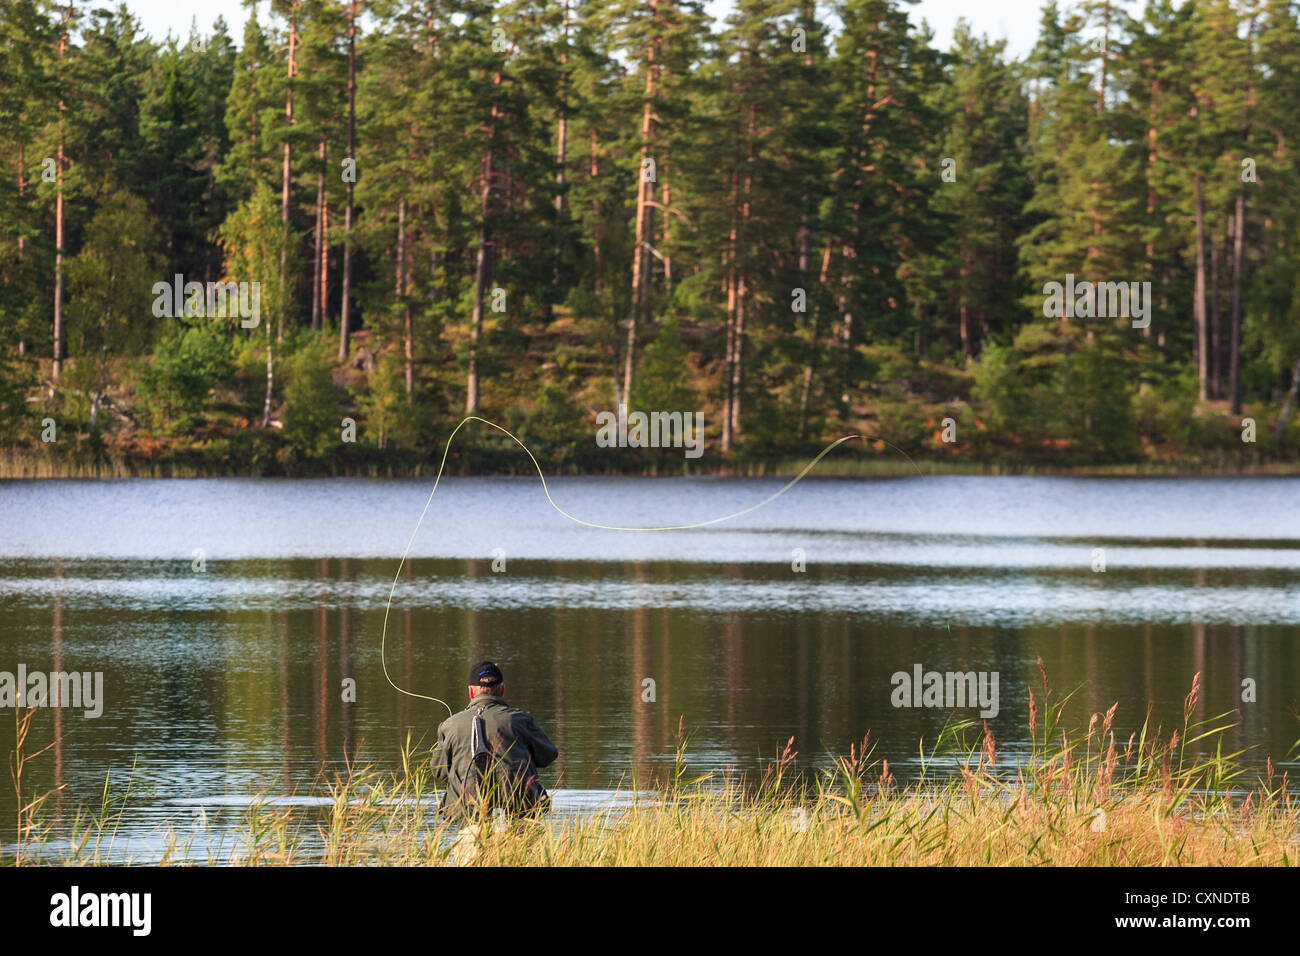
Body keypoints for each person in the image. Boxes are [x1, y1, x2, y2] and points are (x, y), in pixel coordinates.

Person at [432, 660, 558, 824]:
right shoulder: (521, 720)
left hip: (468, 816)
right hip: (518, 813)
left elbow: (439, 772)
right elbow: (548, 756)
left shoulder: (449, 725)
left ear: (471, 692)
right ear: (502, 690)